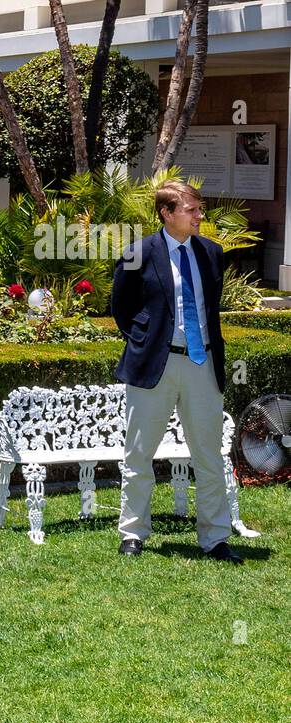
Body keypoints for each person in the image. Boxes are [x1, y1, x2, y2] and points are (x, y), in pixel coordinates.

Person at [111, 179, 239, 563]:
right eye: (192, 210)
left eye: (200, 209)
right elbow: (121, 307)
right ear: (167, 214)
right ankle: (133, 533)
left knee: (210, 456)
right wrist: (145, 340)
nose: (200, 216)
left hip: (202, 365)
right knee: (139, 454)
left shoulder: (212, 254)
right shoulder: (138, 252)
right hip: (155, 364)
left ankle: (215, 538)